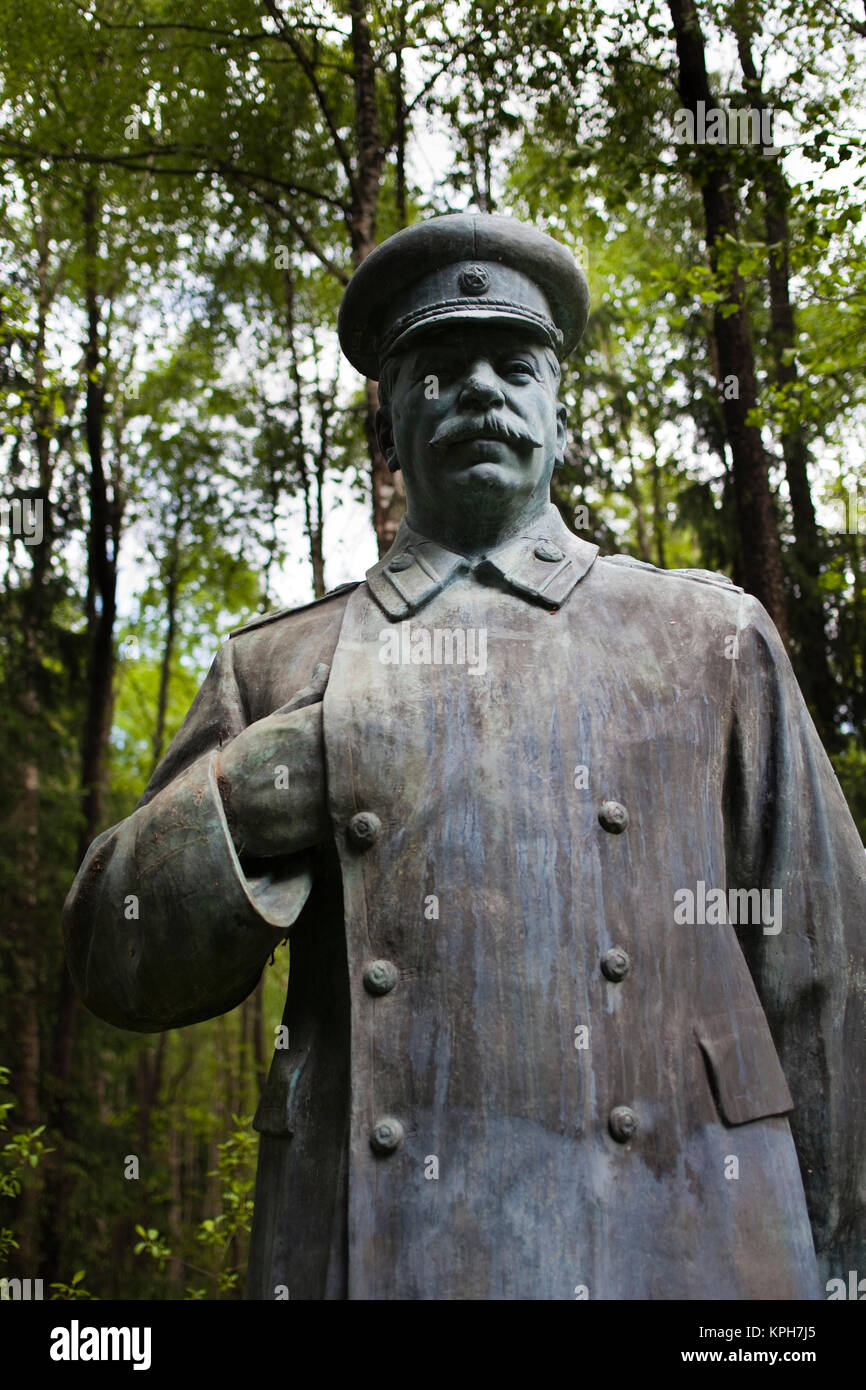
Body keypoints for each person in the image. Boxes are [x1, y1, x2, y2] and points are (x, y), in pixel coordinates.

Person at [64, 213, 866, 1300]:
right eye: (438, 370)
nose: (479, 389)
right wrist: (239, 806)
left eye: (512, 366)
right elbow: (116, 962)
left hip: (692, 1248)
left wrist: (845, 1269)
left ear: (556, 412)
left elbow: (828, 979)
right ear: (388, 431)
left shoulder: (705, 637)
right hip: (362, 1253)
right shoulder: (277, 661)